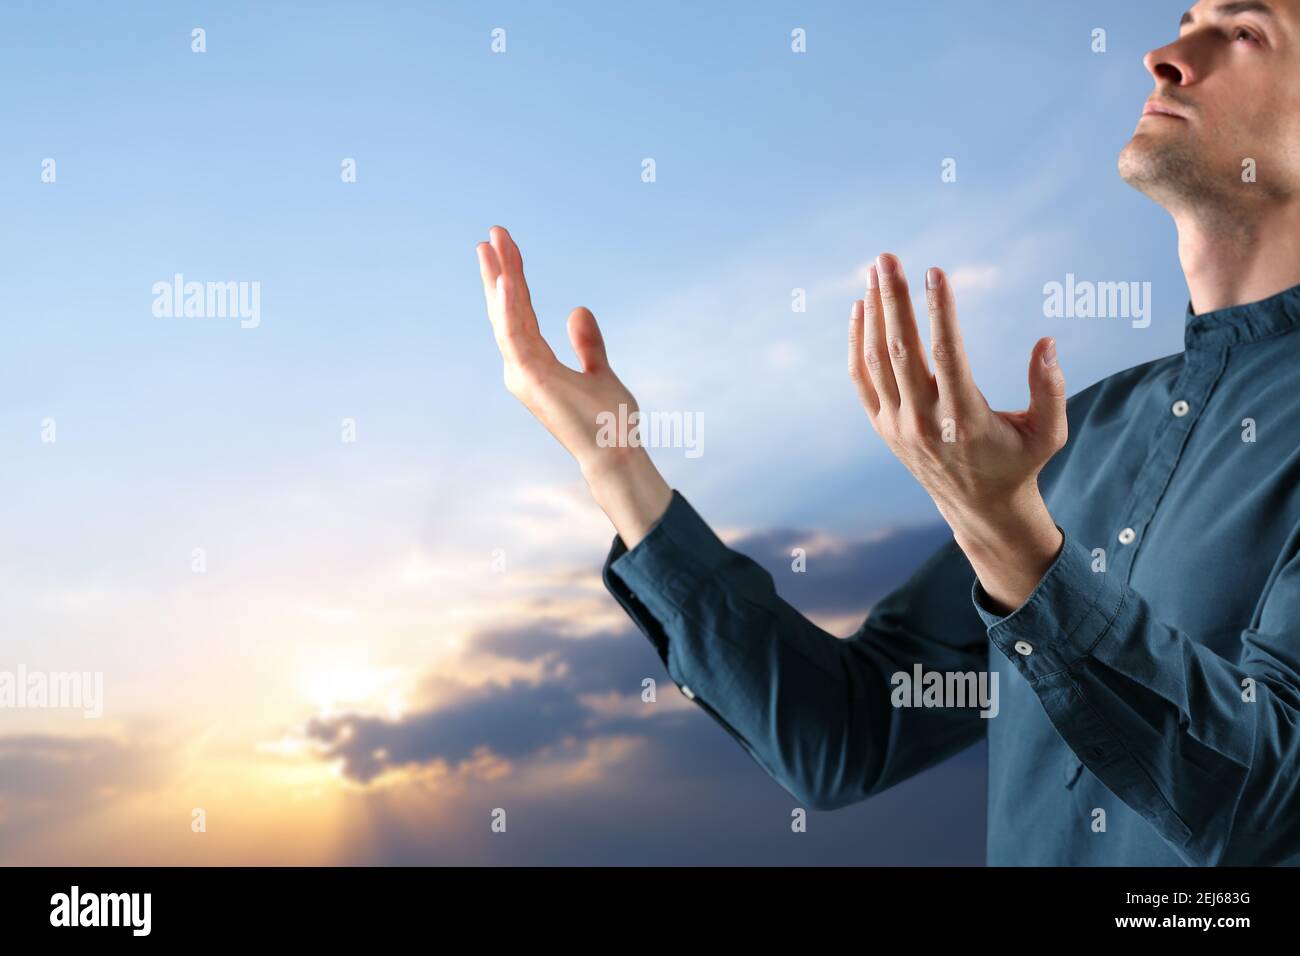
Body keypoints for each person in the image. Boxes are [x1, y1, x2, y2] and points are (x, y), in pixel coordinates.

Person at [473, 0, 1300, 865]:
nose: (1165, 56)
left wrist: (1012, 543)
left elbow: (1269, 800)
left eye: (1242, 32)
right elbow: (852, 730)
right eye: (1186, 19)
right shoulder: (1084, 431)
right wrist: (617, 468)